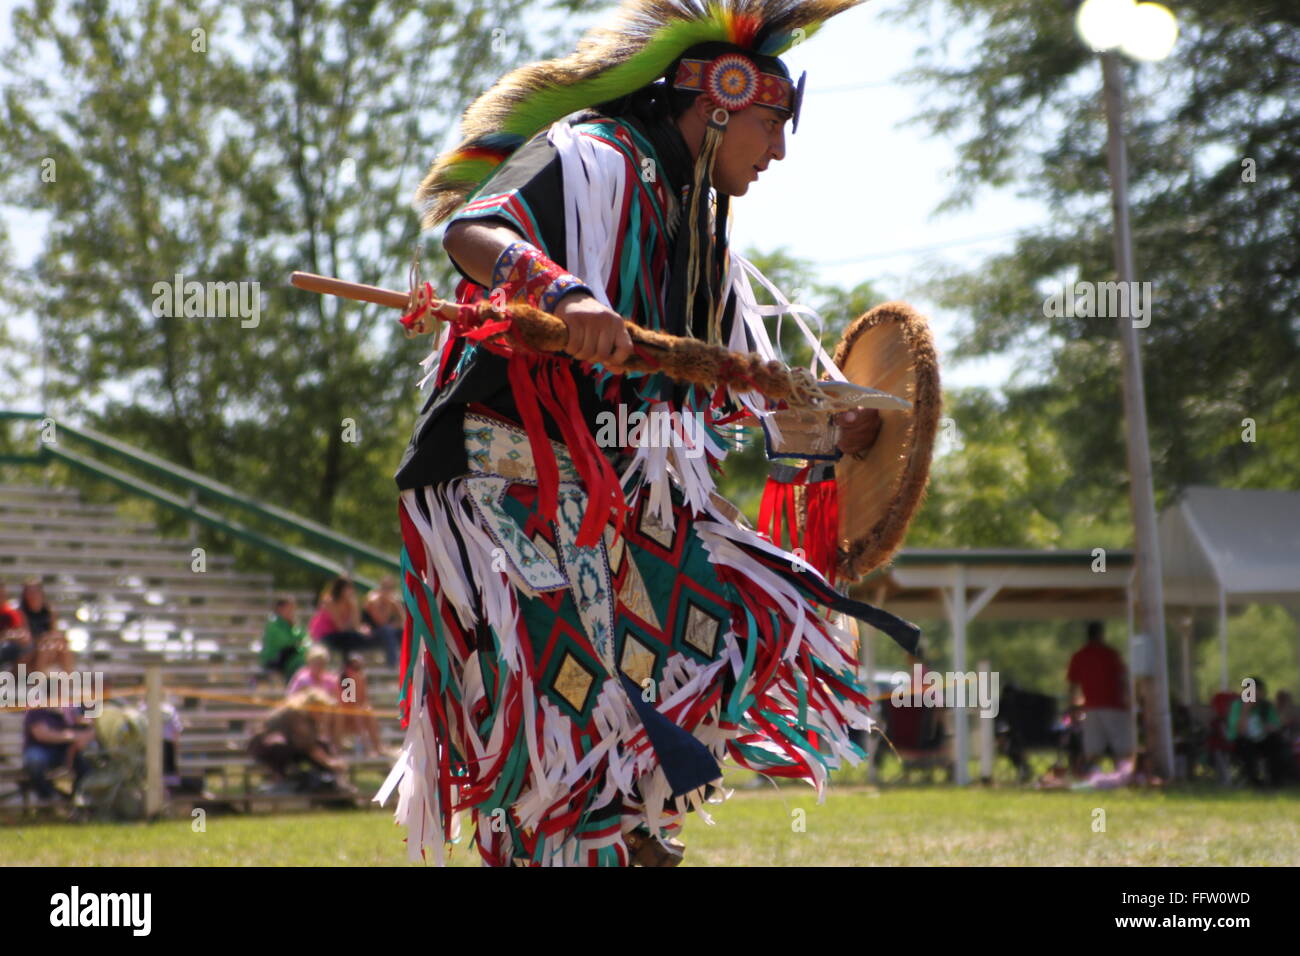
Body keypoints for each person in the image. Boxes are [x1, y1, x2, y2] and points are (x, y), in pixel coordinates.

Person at [384, 0, 921, 867]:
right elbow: (471, 230)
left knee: (742, 619)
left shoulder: (696, 229)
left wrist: (834, 428)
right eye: (772, 124)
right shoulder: (591, 156)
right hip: (507, 469)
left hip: (618, 489)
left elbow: (735, 387)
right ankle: (591, 837)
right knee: (562, 702)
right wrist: (567, 297)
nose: (778, 152)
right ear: (719, 99)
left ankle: (633, 825)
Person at [1067, 621, 1132, 771]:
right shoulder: (1111, 654)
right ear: (1101, 634)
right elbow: (1123, 680)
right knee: (1122, 748)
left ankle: (1093, 775)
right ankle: (1123, 774)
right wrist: (1129, 700)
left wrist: (1072, 706)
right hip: (1114, 706)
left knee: (1093, 749)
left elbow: (1073, 685)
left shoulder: (1079, 655)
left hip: (1091, 708)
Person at [22, 705, 94, 801]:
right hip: (40, 749)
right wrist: (73, 736)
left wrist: (85, 735)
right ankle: (50, 796)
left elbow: (89, 727)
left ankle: (79, 796)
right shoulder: (36, 710)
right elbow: (42, 735)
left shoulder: (70, 709)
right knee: (35, 762)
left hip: (64, 751)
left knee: (85, 758)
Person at [1226, 676, 1288, 786]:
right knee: (1245, 747)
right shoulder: (1238, 705)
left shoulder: (1266, 706)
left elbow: (1277, 725)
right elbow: (1240, 731)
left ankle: (1276, 781)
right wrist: (1245, 710)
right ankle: (1253, 782)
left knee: (1277, 743)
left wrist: (1270, 727)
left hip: (1263, 740)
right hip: (1243, 741)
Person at [316, 577, 375, 660]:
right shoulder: (330, 601)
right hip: (325, 635)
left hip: (340, 634)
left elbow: (356, 625)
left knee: (361, 637)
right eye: (348, 588)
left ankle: (355, 664)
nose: (351, 591)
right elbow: (341, 627)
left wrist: (354, 607)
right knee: (350, 638)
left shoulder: (350, 603)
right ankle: (348, 665)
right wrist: (355, 628)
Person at [338, 654, 385, 758]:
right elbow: (347, 700)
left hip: (358, 709)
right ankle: (366, 749)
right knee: (358, 714)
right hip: (345, 712)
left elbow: (364, 698)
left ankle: (378, 747)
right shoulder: (346, 677)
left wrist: (363, 707)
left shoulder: (361, 676)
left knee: (369, 713)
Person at [259, 596, 309, 681]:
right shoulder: (273, 623)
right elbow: (286, 641)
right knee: (298, 663)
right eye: (289, 608)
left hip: (291, 654)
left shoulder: (293, 624)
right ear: (280, 608)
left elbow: (305, 638)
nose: (292, 611)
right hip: (276, 657)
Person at [362, 576, 404, 667]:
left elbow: (403, 620)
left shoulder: (393, 602)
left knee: (404, 632)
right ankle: (392, 665)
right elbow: (380, 622)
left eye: (390, 588)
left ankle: (407, 662)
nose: (388, 591)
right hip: (371, 633)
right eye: (386, 588)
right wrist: (389, 604)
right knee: (387, 630)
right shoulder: (373, 599)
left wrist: (397, 607)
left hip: (387, 632)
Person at [0, 578, 32, 669]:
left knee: (26, 648)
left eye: (2, 594)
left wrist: (16, 636)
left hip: (8, 647)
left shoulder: (10, 613)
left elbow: (21, 633)